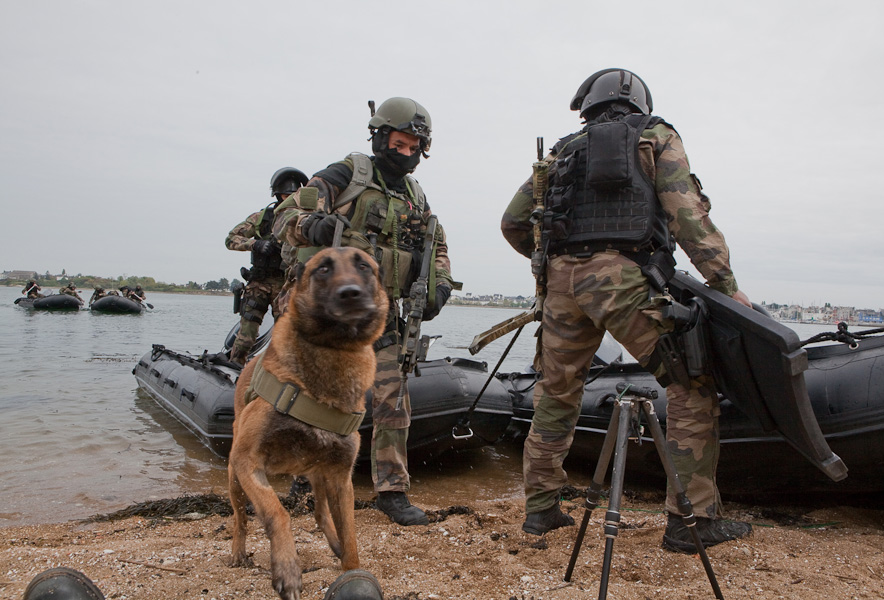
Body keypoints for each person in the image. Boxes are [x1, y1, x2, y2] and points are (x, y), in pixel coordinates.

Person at [501, 69, 753, 552]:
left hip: (561, 287)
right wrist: (724, 282)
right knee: (690, 386)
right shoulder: (654, 137)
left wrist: (559, 260)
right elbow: (687, 214)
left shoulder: (559, 154)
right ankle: (690, 522)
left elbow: (514, 223)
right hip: (623, 280)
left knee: (556, 394)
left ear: (589, 106)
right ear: (638, 102)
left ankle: (540, 511)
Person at [273, 98, 457, 526]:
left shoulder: (414, 195)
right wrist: (311, 225)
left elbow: (438, 243)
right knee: (305, 396)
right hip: (325, 314)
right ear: (379, 137)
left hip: (380, 316)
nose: (406, 153)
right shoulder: (345, 176)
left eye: (415, 147)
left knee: (393, 399)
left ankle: (392, 491)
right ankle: (300, 481)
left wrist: (440, 283)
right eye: (399, 143)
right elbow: (285, 215)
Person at [226, 167, 309, 365]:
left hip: (286, 286)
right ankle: (235, 367)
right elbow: (231, 239)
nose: (288, 198)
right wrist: (255, 244)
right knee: (247, 334)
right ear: (277, 194)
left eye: (293, 194)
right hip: (260, 283)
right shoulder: (261, 218)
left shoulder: (305, 221)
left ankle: (278, 377)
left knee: (286, 337)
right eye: (285, 194)